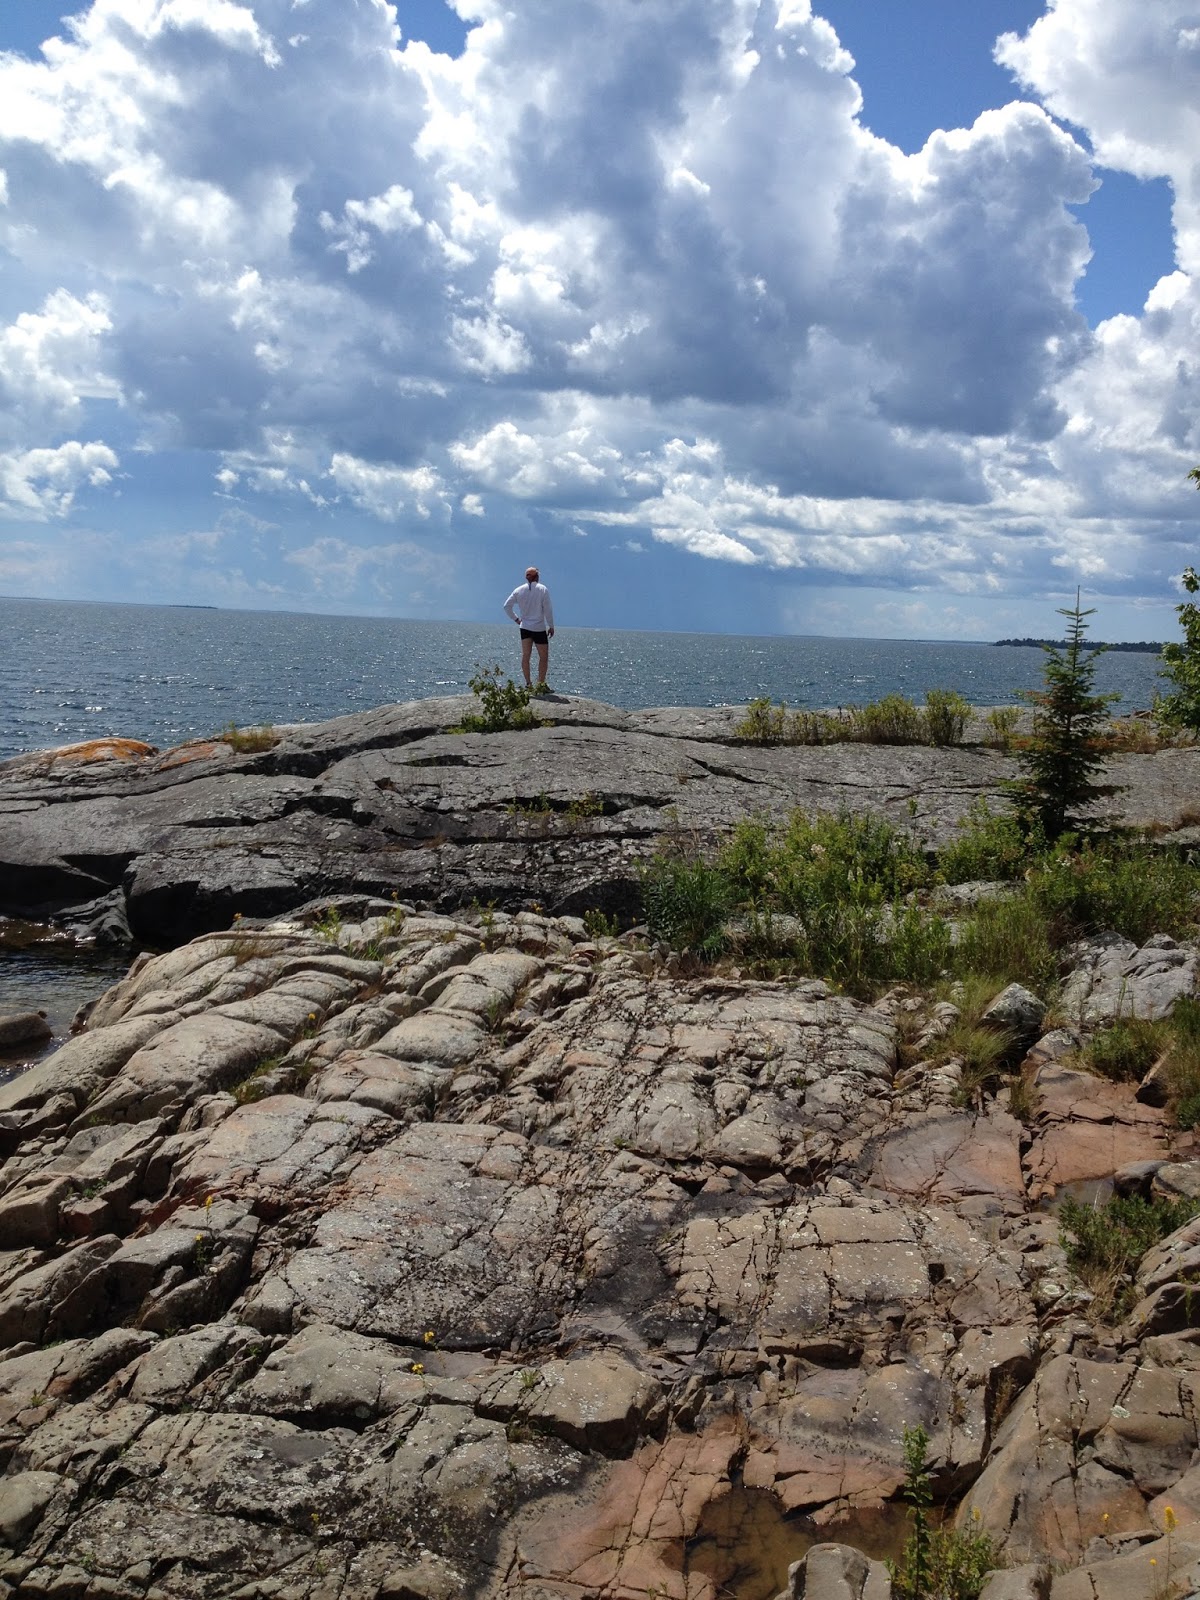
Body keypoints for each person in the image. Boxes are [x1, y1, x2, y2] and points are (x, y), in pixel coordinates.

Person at [503, 566, 555, 691]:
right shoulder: (543, 590)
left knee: (526, 655)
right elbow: (547, 610)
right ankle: (541, 684)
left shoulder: (519, 590)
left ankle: (528, 684)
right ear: (537, 576)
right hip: (538, 628)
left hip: (525, 627)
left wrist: (516, 619)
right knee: (543, 656)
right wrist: (551, 625)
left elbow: (506, 606)